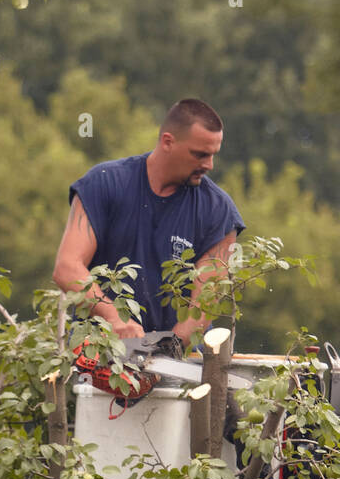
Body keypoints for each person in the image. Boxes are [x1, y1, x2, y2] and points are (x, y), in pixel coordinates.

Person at [53, 97, 244, 352]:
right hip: (96, 359)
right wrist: (115, 319)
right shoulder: (104, 183)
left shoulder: (219, 211)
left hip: (177, 369)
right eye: (199, 154)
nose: (208, 165)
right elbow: (67, 269)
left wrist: (160, 354)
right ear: (168, 141)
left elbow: (202, 310)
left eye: (212, 155)